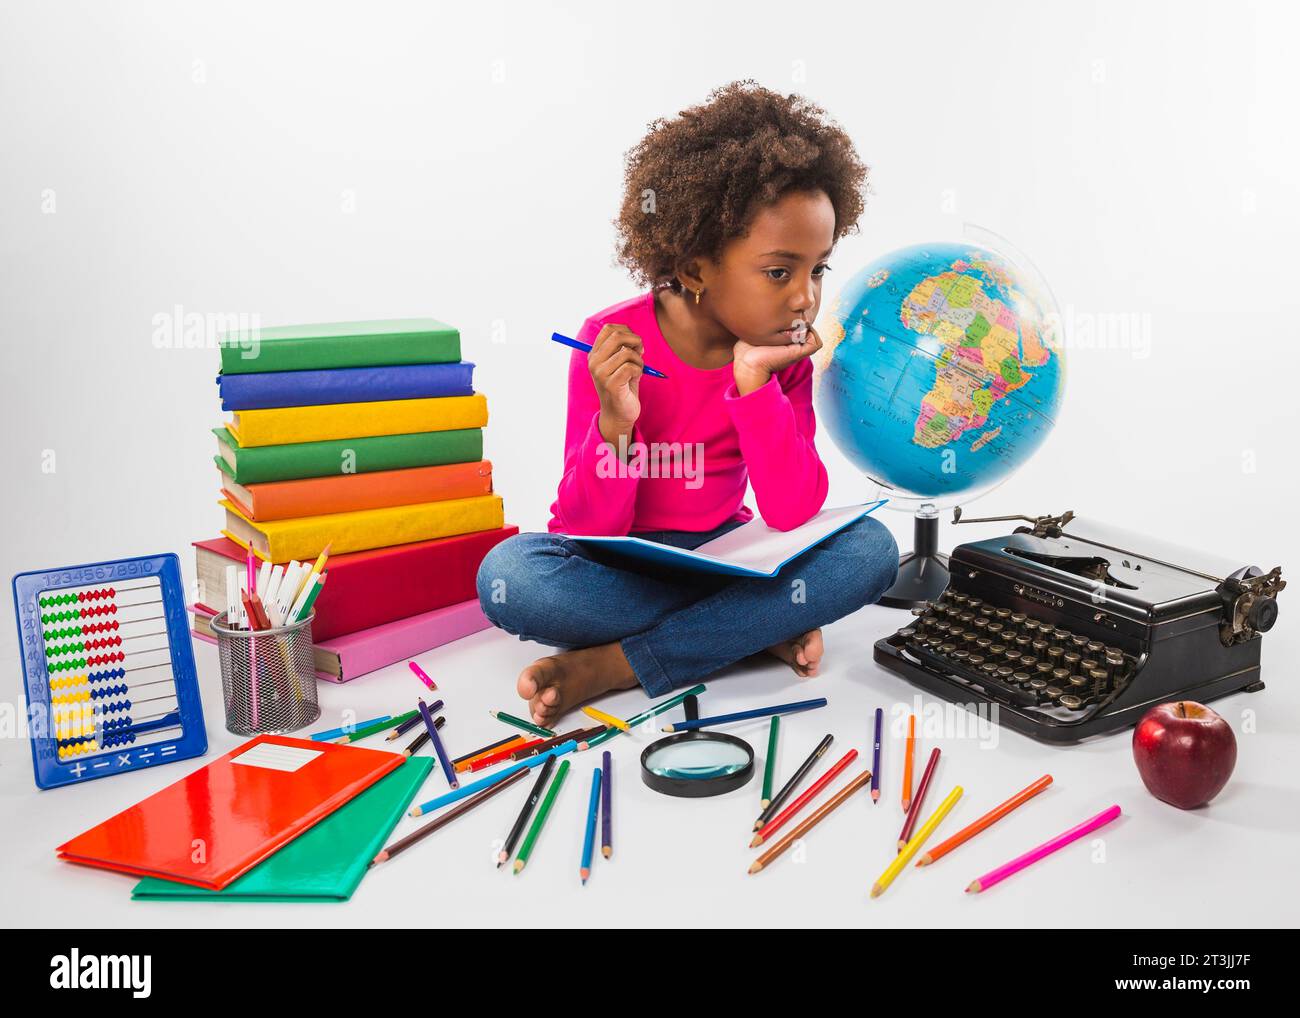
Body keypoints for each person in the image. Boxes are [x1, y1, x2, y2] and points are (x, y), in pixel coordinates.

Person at [477, 81, 898, 726]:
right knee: (513, 575)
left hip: (730, 552)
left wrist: (755, 382)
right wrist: (617, 423)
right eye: (780, 271)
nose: (805, 298)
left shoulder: (779, 356)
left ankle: (617, 664)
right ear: (697, 266)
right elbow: (587, 528)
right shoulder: (610, 342)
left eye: (819, 269)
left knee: (871, 550)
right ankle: (751, 629)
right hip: (625, 563)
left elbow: (790, 511)